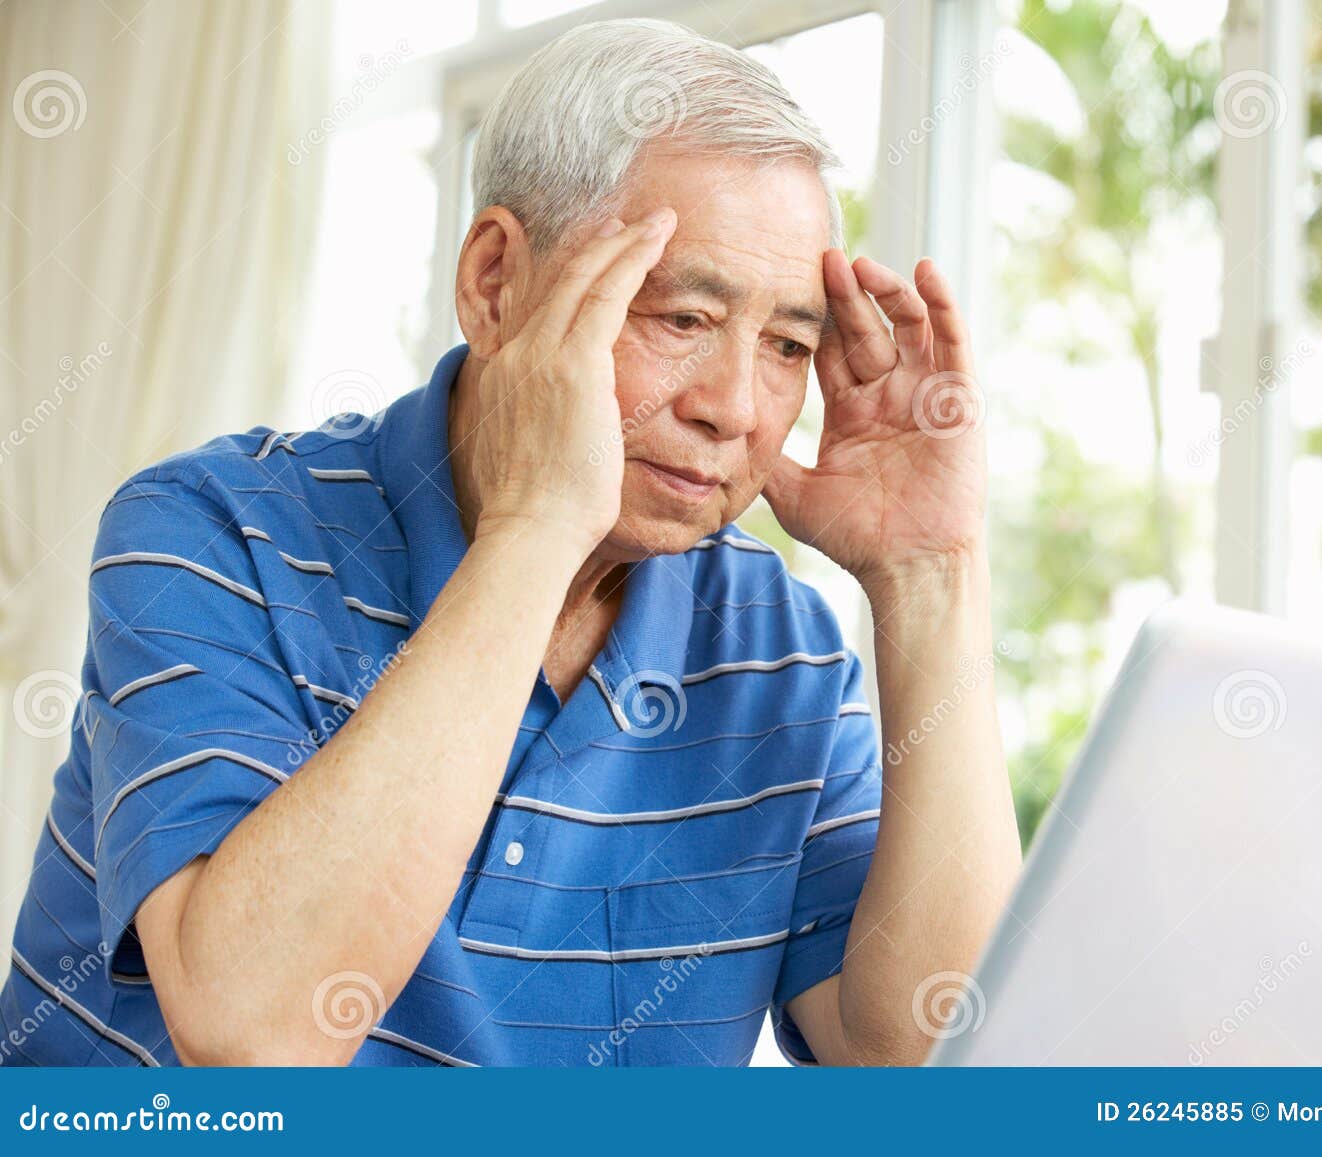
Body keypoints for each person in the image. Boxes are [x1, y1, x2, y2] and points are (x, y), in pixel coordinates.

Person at [0, 18, 1020, 1067]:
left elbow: (928, 1063)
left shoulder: (781, 648)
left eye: (789, 345)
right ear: (494, 283)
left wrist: (929, 577)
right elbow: (257, 1027)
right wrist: (538, 527)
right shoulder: (210, 530)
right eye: (681, 317)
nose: (735, 406)